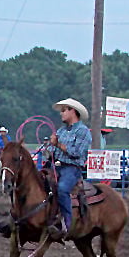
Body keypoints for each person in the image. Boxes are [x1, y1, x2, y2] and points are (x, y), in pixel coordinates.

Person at [46, 98, 92, 240]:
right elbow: (52, 151)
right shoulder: (61, 131)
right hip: (55, 166)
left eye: (64, 110)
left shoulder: (83, 131)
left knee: (62, 189)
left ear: (73, 111)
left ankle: (68, 224)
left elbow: (76, 152)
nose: (61, 113)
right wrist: (49, 148)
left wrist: (58, 144)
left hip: (72, 168)